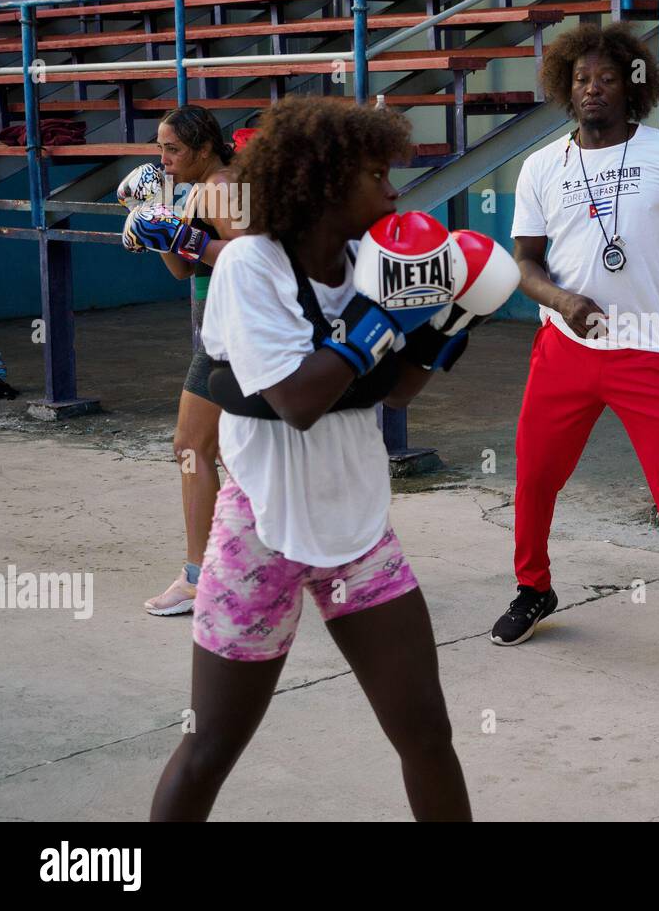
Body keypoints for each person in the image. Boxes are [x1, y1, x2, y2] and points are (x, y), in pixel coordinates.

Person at [150, 96, 496, 821]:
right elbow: (295, 401)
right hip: (260, 531)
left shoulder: (374, 261)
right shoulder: (251, 265)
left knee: (428, 733)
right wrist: (383, 321)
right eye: (377, 174)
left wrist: (444, 328)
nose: (395, 191)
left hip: (357, 531)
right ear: (325, 181)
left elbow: (394, 395)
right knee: (210, 744)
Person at [488, 22, 659, 687]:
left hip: (652, 349)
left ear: (634, 85)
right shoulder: (543, 165)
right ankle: (533, 588)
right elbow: (525, 263)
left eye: (605, 77)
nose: (592, 88)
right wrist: (563, 302)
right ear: (564, 88)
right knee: (535, 478)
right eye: (580, 79)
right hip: (564, 348)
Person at [121, 105, 245, 616]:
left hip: (238, 333)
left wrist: (180, 234)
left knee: (192, 445)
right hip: (219, 329)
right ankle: (252, 567)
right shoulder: (196, 188)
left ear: (203, 148)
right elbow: (180, 269)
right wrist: (156, 222)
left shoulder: (225, 185)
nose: (163, 158)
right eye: (159, 148)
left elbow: (251, 256)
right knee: (227, 452)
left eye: (172, 148)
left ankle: (202, 578)